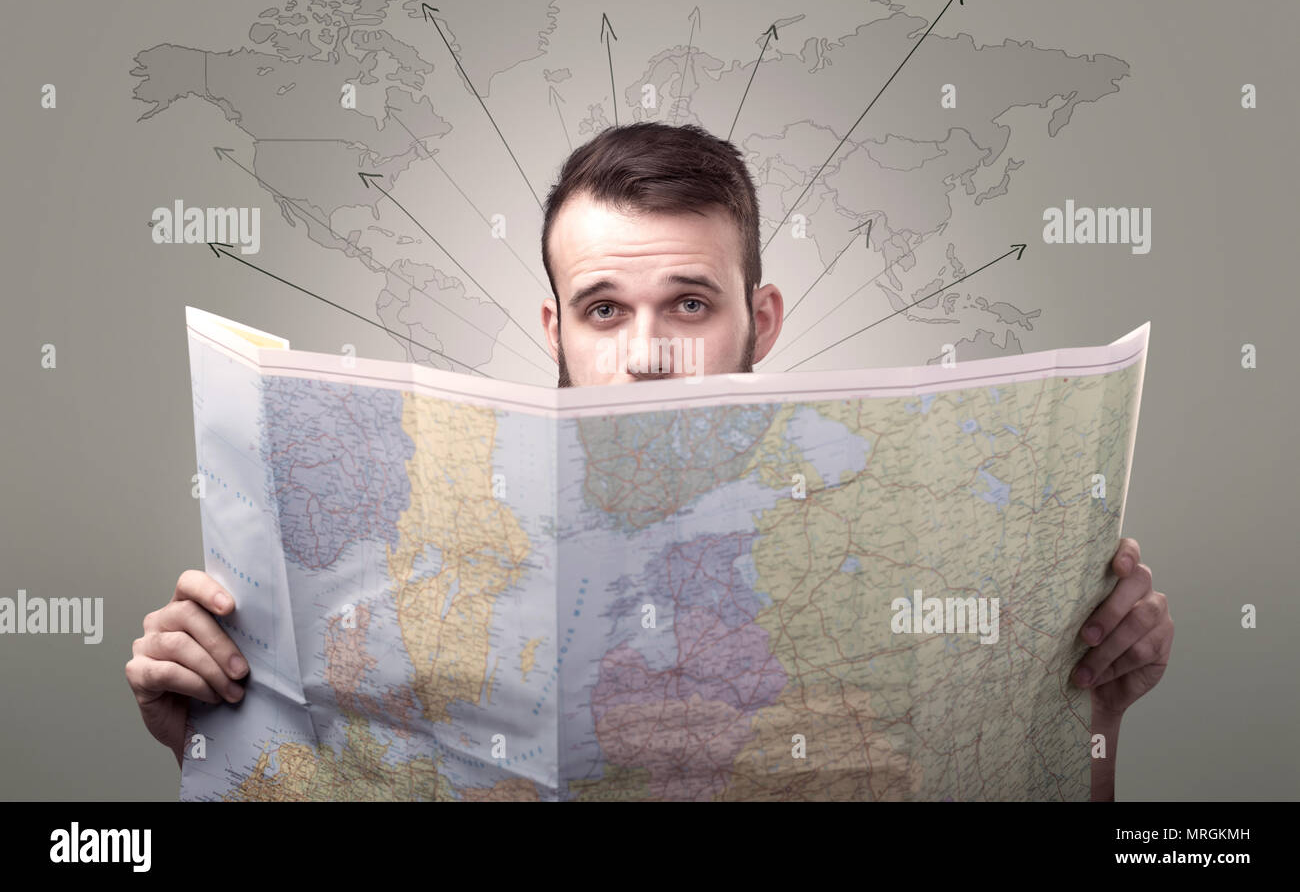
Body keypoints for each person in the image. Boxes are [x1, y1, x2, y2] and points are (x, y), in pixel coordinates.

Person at [127, 121, 1172, 800]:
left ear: (757, 320)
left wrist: (1092, 715)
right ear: (556, 331)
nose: (647, 353)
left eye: (688, 301)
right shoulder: (439, 548)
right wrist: (219, 740)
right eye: (603, 309)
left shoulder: (891, 529)